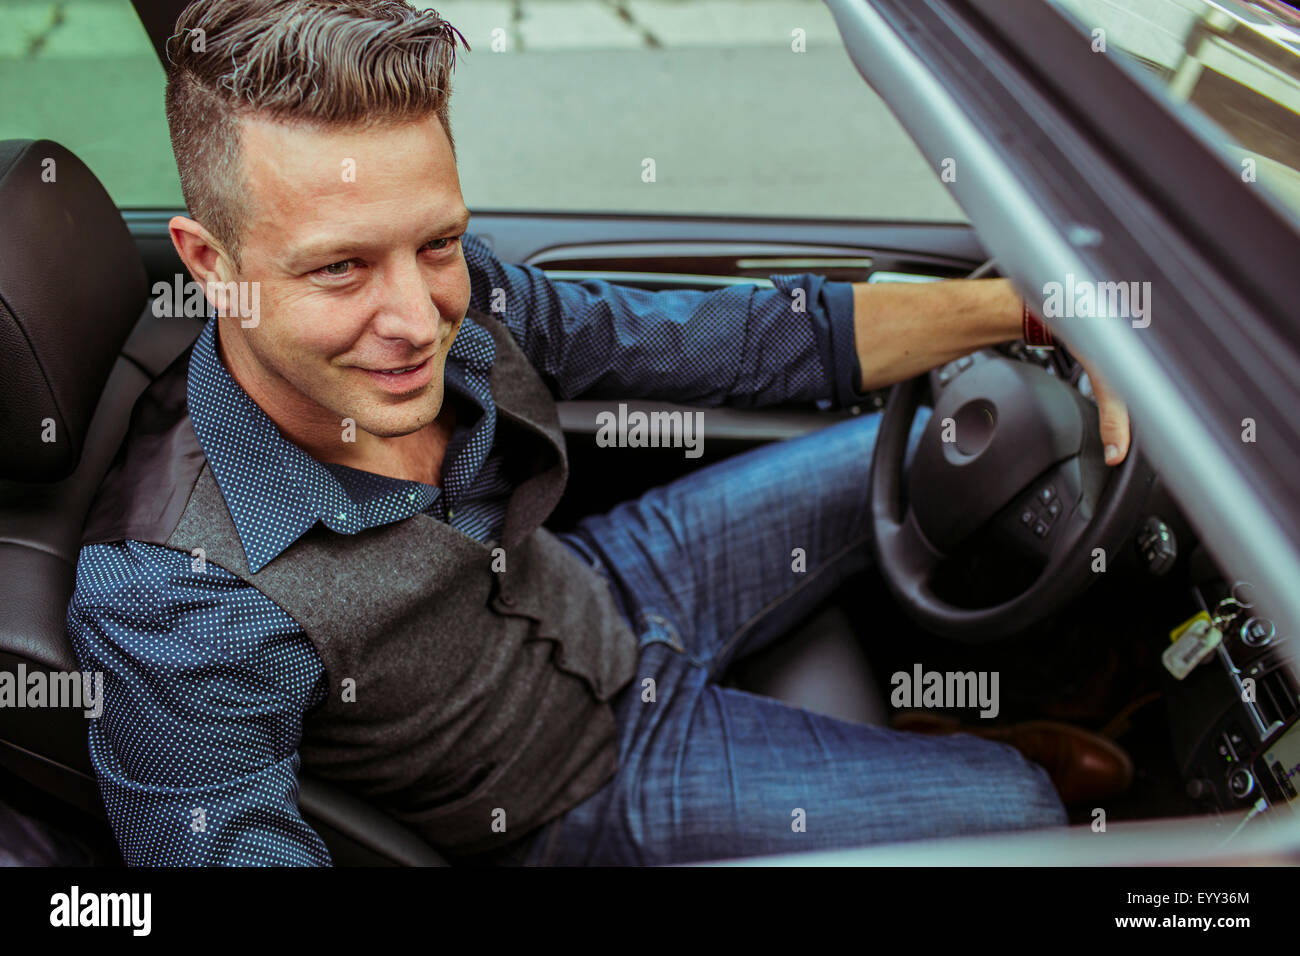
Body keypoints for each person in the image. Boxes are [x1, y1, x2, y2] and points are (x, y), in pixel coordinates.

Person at [66, 0, 1133, 866]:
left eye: (437, 241)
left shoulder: (463, 300)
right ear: (210, 262)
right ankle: (965, 758)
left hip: (612, 581)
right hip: (573, 781)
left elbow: (739, 338)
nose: (418, 318)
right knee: (1028, 812)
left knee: (923, 442)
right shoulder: (172, 598)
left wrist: (1036, 308)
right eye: (340, 267)